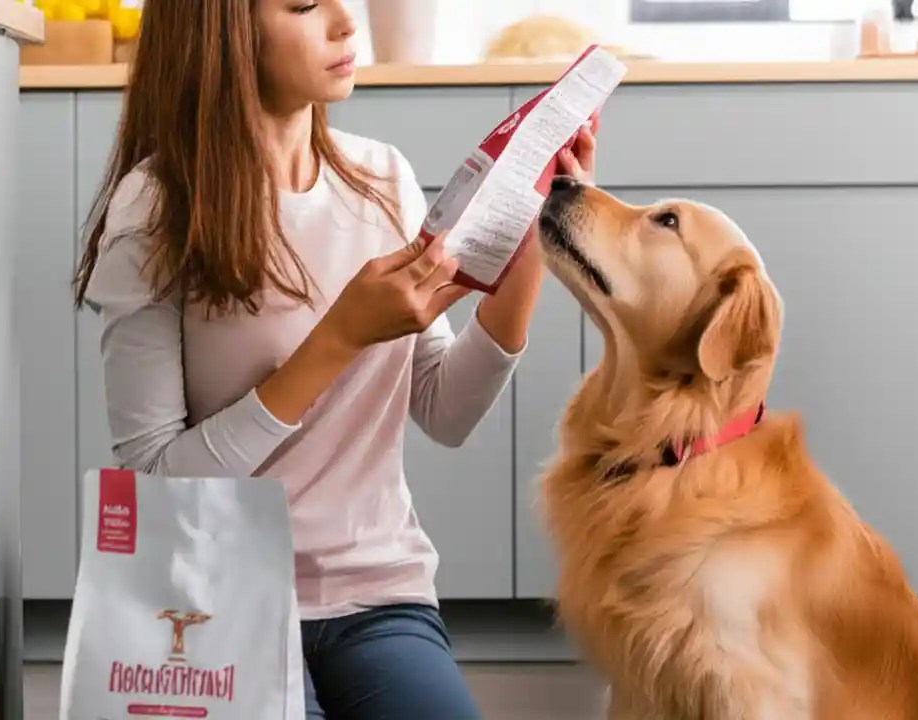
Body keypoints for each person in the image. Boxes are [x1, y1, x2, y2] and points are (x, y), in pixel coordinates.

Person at [71, 1, 596, 718]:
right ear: (221, 27)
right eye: (305, 4)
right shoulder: (157, 209)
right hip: (215, 600)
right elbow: (162, 484)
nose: (348, 24)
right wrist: (339, 338)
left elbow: (446, 410)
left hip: (378, 594)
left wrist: (539, 231)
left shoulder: (381, 180)